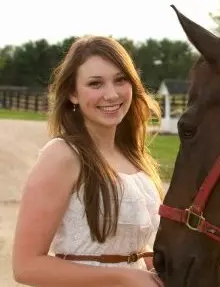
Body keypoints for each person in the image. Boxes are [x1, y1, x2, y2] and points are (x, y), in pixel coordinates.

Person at [12, 35, 164, 287]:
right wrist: (124, 277)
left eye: (120, 80)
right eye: (96, 84)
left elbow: (130, 245)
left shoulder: (135, 156)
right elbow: (26, 266)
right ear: (73, 93)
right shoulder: (63, 155)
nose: (111, 94)